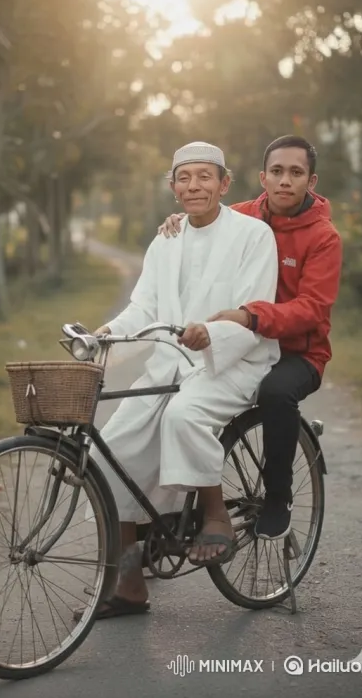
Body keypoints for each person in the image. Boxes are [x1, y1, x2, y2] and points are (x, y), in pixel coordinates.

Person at [77, 141, 281, 621]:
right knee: (111, 452)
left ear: (224, 184)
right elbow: (144, 307)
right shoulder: (166, 239)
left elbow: (255, 306)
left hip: (234, 361)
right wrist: (103, 335)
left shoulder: (253, 235)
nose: (194, 186)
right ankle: (129, 584)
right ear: (173, 187)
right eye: (184, 177)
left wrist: (211, 331)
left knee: (183, 414)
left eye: (205, 176)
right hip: (172, 362)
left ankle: (216, 518)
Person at [158, 134, 343, 542]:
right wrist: (179, 224)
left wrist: (250, 315)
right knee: (170, 396)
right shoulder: (242, 216)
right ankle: (162, 513)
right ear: (262, 177)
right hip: (249, 342)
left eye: (296, 173)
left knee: (276, 393)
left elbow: (313, 308)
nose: (284, 181)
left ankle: (278, 496)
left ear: (311, 182)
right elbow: (205, 220)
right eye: (276, 172)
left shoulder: (324, 237)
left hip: (299, 353)